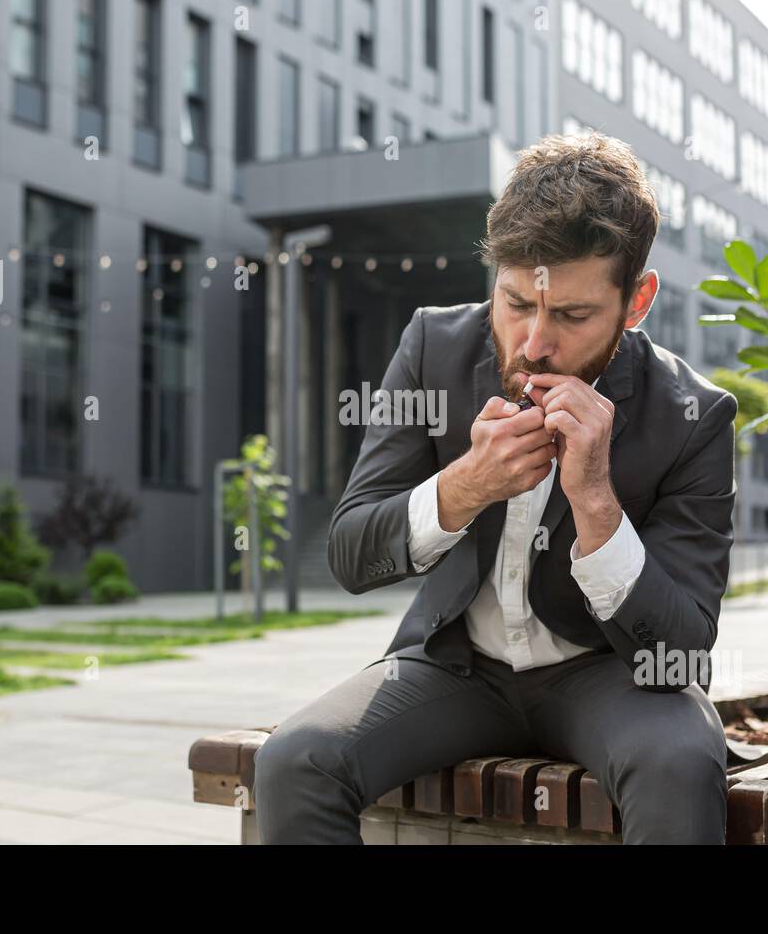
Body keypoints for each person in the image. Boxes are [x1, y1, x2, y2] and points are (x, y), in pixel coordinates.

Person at [253, 131, 738, 844]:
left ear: (636, 302)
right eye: (515, 303)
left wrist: (597, 503)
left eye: (572, 316)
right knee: (294, 761)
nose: (534, 343)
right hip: (457, 670)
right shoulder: (434, 348)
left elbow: (685, 650)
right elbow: (353, 554)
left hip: (607, 678)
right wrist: (464, 487)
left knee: (680, 766)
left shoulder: (693, 414)